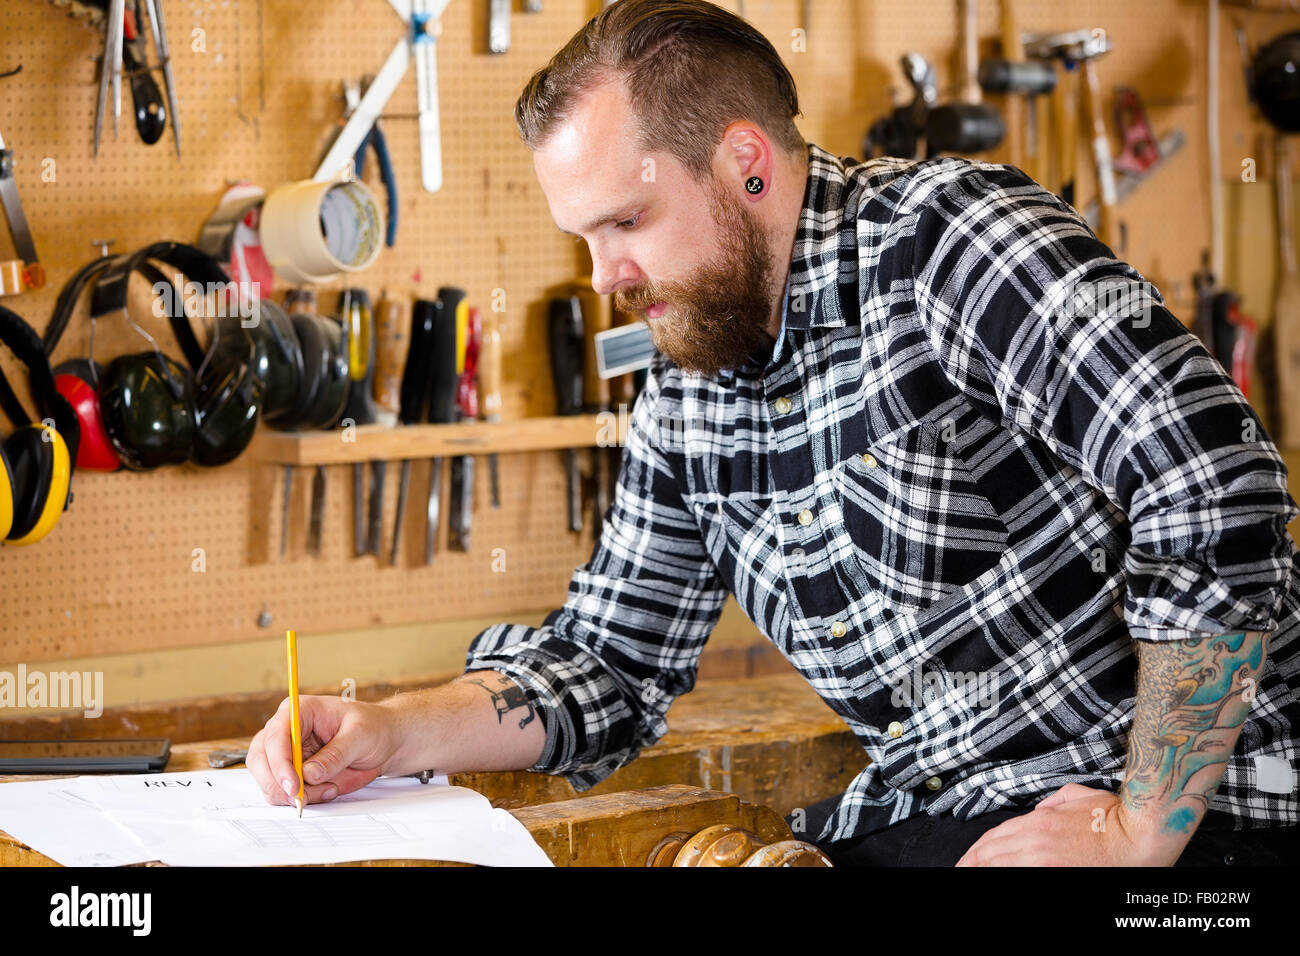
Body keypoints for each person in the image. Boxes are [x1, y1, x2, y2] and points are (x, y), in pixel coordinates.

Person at [248, 0, 1300, 866]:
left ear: (745, 162)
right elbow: (609, 660)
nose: (605, 276)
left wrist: (1138, 829)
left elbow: (1212, 484)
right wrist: (393, 727)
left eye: (624, 223)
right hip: (958, 816)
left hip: (1203, 815)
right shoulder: (687, 380)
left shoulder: (946, 242)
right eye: (583, 237)